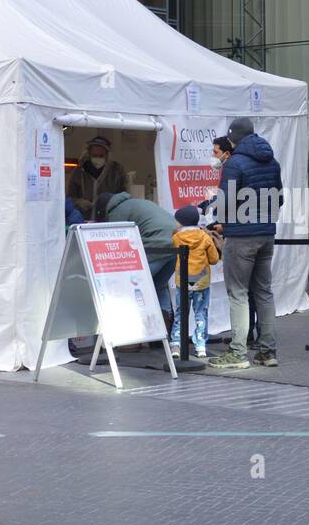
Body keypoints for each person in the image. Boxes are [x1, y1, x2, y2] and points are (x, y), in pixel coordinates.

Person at [207, 117, 283, 370]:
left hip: (241, 236)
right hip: (267, 233)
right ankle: (267, 352)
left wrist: (220, 223)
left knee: (238, 293)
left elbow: (225, 202)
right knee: (264, 292)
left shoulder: (234, 163)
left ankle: (238, 353)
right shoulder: (272, 161)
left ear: (232, 138)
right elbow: (279, 198)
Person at [93, 190, 179, 334]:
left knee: (132, 287)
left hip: (154, 246)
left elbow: (114, 239)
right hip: (175, 246)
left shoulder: (116, 212)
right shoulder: (137, 203)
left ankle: (133, 335)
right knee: (160, 285)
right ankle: (163, 331)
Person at [169, 204, 220, 359]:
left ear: (181, 222)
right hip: (201, 283)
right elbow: (214, 259)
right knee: (200, 313)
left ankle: (176, 345)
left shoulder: (176, 237)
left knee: (180, 314)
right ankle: (200, 346)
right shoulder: (205, 237)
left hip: (183, 282)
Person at [67, 135, 128, 217]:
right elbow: (69, 198)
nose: (97, 159)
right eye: (94, 155)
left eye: (101, 156)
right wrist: (78, 202)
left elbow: (124, 197)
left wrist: (109, 203)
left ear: (107, 155)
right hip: (83, 219)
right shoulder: (79, 172)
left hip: (107, 218)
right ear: (89, 154)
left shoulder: (116, 171)